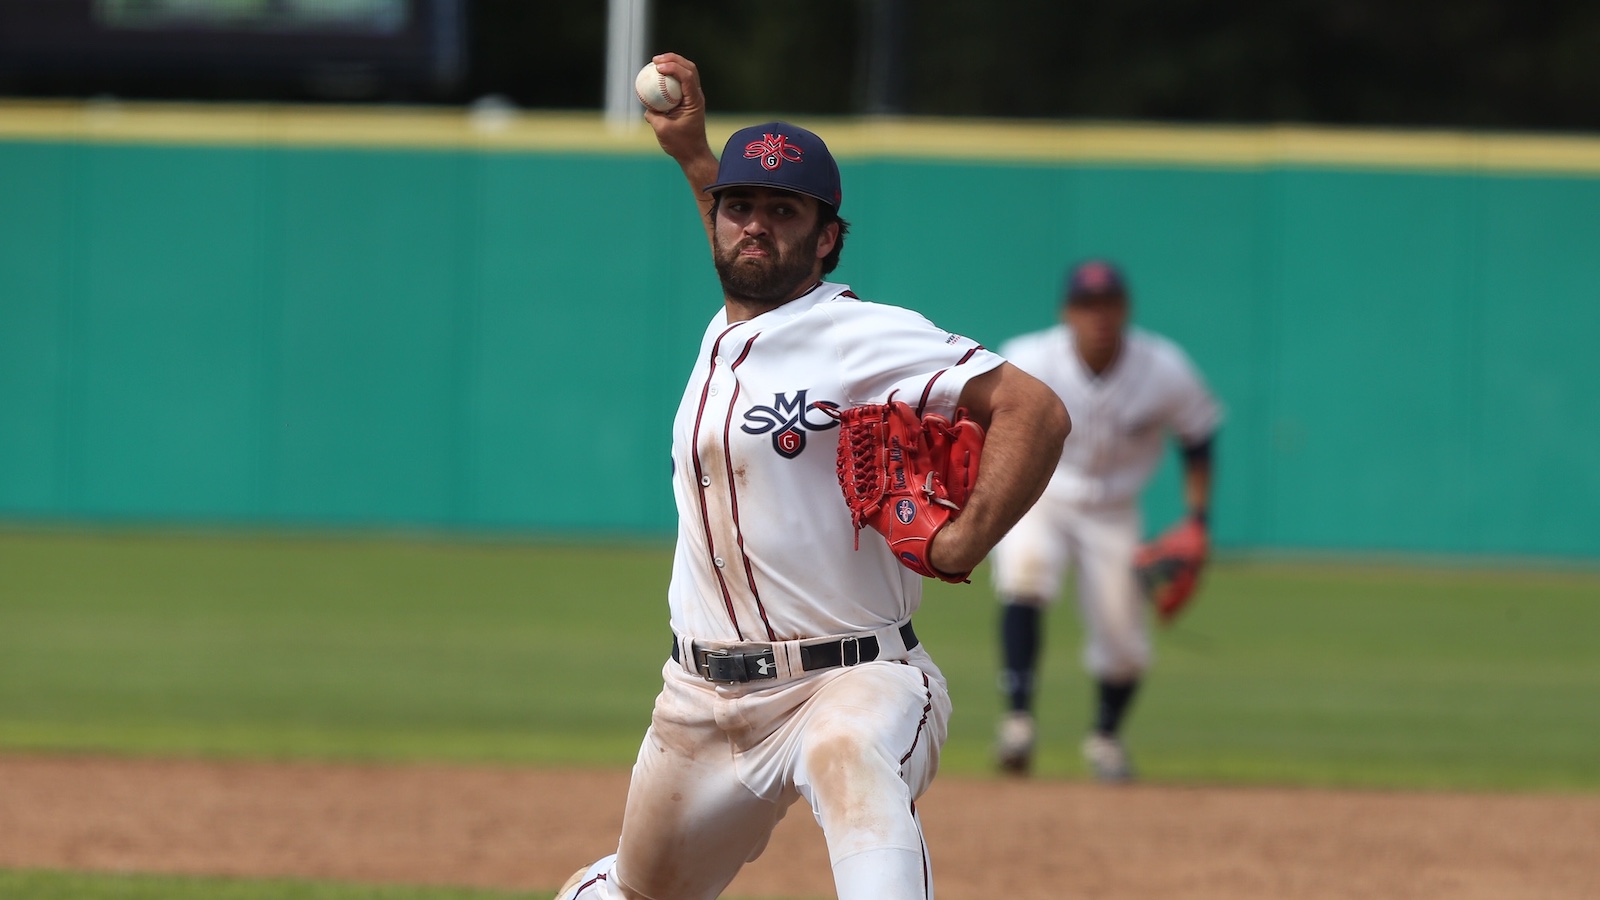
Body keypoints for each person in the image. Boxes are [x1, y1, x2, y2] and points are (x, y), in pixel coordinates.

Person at [556, 53, 1070, 900]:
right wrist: (695, 157)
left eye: (785, 211)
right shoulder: (729, 329)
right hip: (701, 701)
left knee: (847, 754)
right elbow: (745, 251)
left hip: (852, 679)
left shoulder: (858, 335)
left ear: (827, 238)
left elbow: (1035, 409)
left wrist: (964, 542)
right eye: (739, 208)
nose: (755, 227)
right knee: (634, 893)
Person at [990, 259, 1221, 782]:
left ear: (1125, 308)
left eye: (1108, 303)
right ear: (1066, 312)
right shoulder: (1029, 358)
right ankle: (1018, 724)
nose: (1098, 315)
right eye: (1086, 304)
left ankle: (1106, 739)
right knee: (1024, 573)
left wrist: (1197, 520)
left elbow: (1199, 434)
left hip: (1115, 511)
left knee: (1123, 642)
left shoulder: (1163, 366)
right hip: (1041, 494)